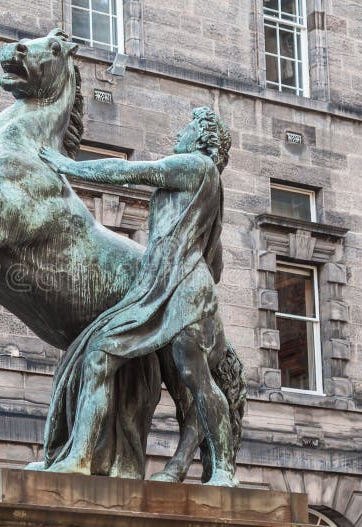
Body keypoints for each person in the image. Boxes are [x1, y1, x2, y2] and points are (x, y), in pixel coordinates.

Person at [37, 107, 238, 486]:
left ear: (201, 138)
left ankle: (224, 469)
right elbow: (217, 260)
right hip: (166, 284)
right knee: (100, 354)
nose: (179, 133)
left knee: (195, 378)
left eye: (188, 127)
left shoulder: (195, 165)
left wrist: (67, 167)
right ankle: (79, 457)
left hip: (182, 288)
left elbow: (127, 172)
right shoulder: (208, 186)